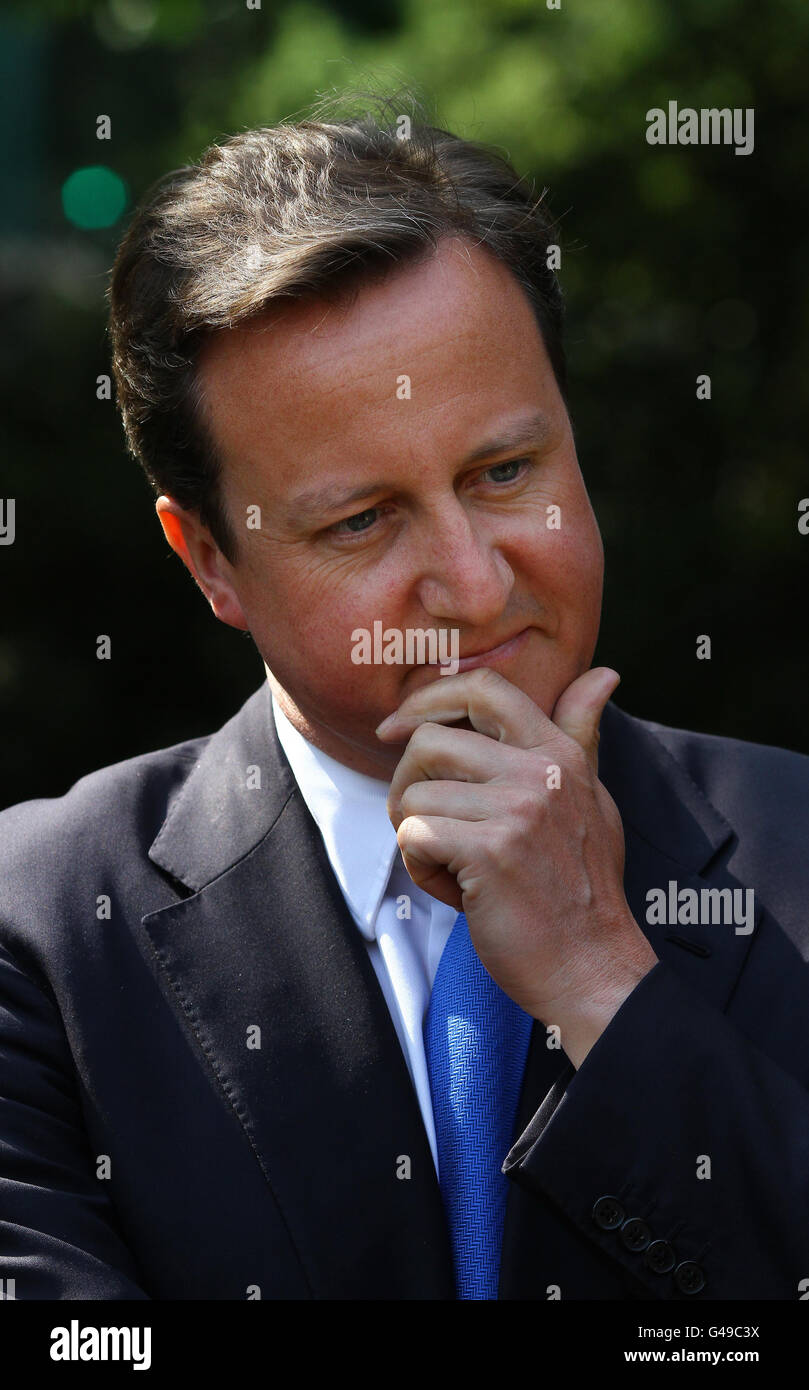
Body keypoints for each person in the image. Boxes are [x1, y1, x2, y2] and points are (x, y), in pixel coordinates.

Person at [2, 99, 808, 1302]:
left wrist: (600, 981)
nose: (475, 585)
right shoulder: (43, 935)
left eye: (503, 471)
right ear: (210, 560)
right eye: (361, 521)